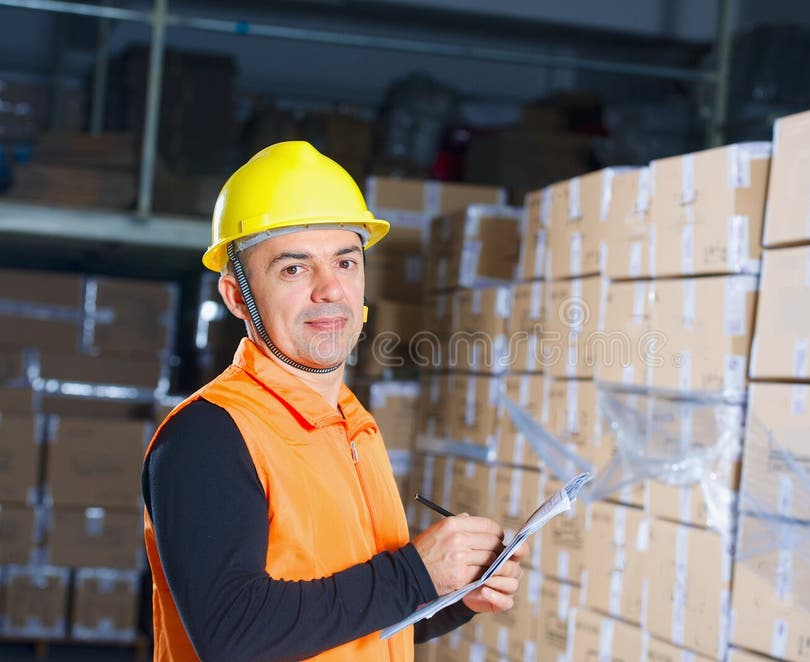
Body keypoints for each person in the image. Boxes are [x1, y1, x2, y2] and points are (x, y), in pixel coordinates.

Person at [141, 141, 527, 661]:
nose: (330, 290)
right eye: (294, 269)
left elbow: (348, 622)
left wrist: (453, 593)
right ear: (236, 296)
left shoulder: (351, 425)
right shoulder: (210, 435)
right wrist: (415, 573)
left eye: (345, 262)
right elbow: (232, 633)